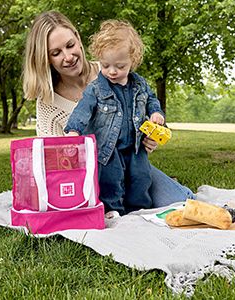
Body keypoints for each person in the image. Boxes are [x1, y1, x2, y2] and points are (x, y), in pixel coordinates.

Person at [22, 11, 194, 211]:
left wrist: (150, 136)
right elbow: (53, 165)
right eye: (56, 53)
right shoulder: (48, 103)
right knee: (110, 207)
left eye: (70, 45)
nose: (68, 57)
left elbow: (140, 107)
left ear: (78, 39)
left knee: (181, 201)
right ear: (46, 59)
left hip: (130, 161)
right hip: (88, 175)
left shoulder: (112, 68)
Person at [64, 20, 165, 216]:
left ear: (132, 61)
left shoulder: (140, 85)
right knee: (111, 179)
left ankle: (138, 210)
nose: (111, 71)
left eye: (120, 66)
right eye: (105, 65)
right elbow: (83, 109)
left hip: (136, 145)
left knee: (141, 177)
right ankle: (112, 210)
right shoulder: (96, 89)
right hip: (108, 150)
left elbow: (152, 100)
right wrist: (74, 130)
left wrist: (156, 114)